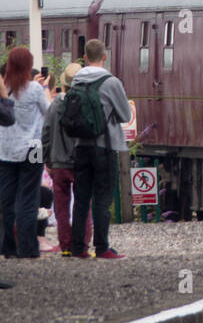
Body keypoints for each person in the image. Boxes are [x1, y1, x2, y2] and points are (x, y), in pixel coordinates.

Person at [69, 38, 131, 261]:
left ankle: (78, 248)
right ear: (104, 56)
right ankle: (102, 247)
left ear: (84, 57)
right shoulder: (111, 82)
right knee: (103, 199)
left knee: (82, 199)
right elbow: (125, 115)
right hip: (104, 146)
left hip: (80, 147)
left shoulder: (75, 80)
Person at [0, 46, 50, 258]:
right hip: (34, 148)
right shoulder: (35, 89)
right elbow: (48, 113)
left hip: (5, 150)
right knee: (29, 197)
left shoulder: (4, 87)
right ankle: (28, 247)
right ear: (29, 66)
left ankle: (8, 247)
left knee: (7, 199)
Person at [42, 61, 93, 256]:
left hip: (58, 163)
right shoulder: (86, 103)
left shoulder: (55, 104)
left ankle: (65, 246)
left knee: (61, 207)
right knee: (83, 205)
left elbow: (45, 133)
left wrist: (47, 160)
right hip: (81, 162)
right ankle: (83, 246)